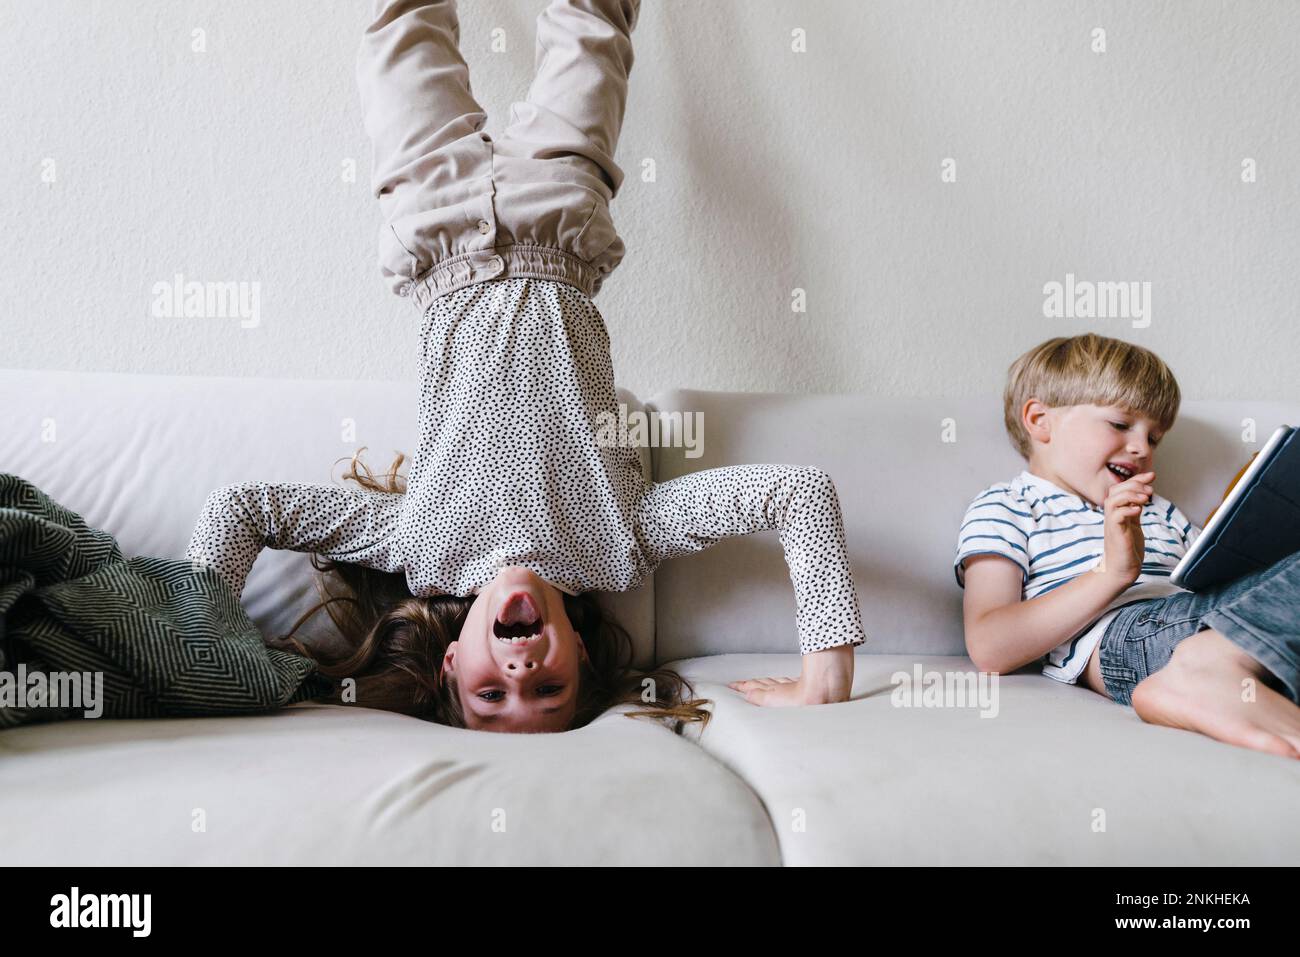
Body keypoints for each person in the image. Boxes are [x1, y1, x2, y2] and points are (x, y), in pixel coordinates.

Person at [185, 0, 869, 734]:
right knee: (593, 17)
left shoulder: (418, 547)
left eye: (492, 697)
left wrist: (188, 658)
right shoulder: (620, 546)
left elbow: (240, 509)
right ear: (579, 649)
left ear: (449, 663)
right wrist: (826, 673)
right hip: (559, 212)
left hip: (433, 218)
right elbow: (799, 492)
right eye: (550, 692)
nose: (522, 674)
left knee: (400, 22)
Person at [954, 332, 1300, 759]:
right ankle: (1195, 671)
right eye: (1120, 424)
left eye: (1154, 438)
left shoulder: (1162, 511)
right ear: (1040, 420)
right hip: (1131, 637)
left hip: (1220, 623)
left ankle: (1217, 672)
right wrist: (1113, 573)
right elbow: (990, 647)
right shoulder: (1008, 506)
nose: (1140, 448)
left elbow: (1216, 583)